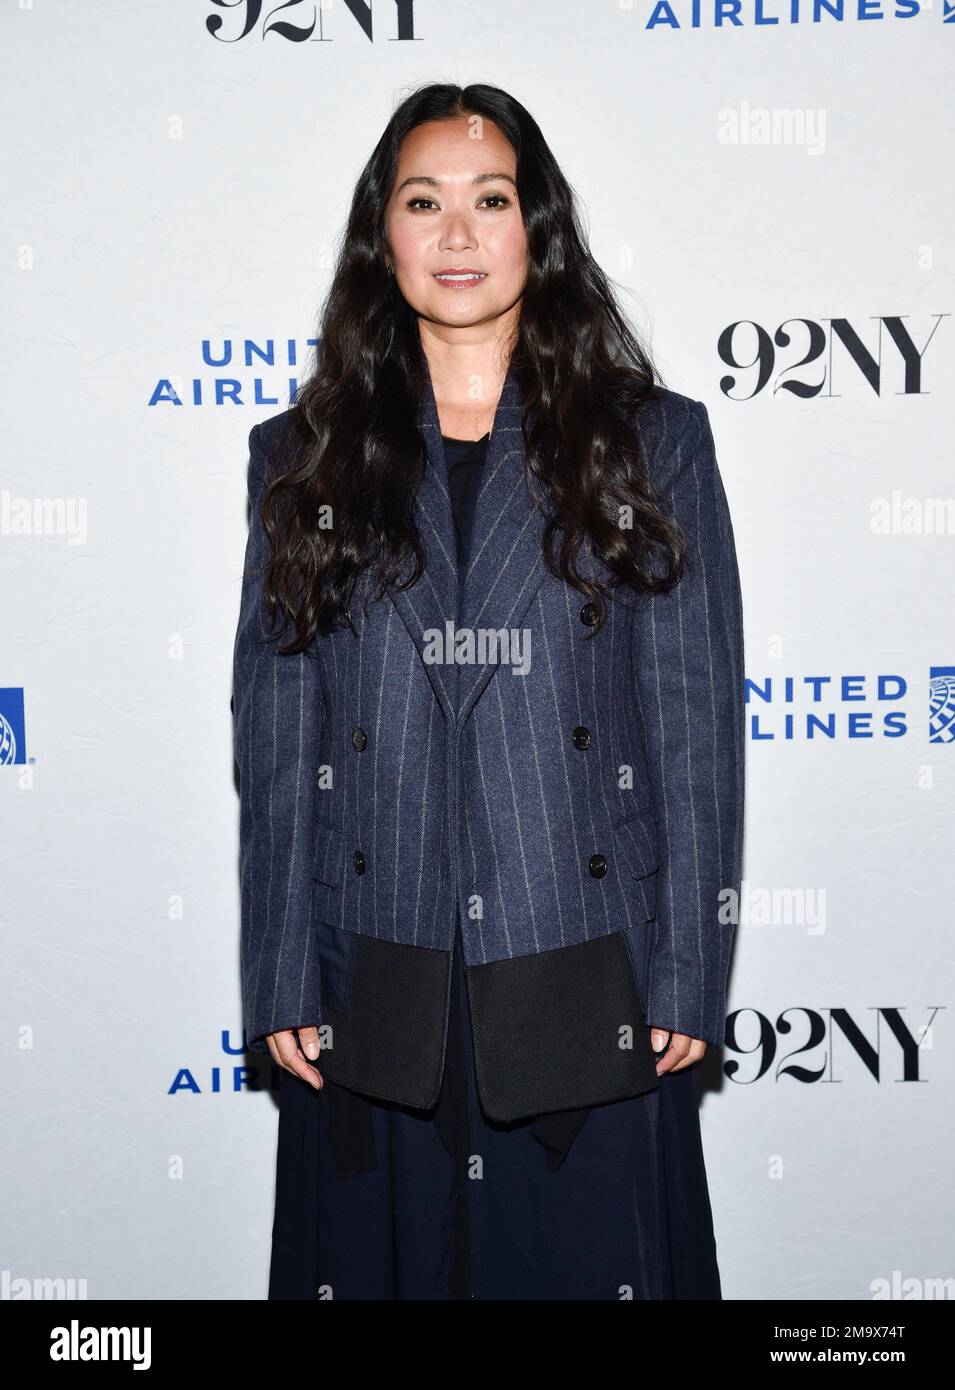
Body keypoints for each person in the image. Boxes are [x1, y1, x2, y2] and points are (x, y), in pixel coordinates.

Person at [231, 81, 745, 1300]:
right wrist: (278, 970)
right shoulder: (301, 455)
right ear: (383, 235)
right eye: (424, 202)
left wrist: (684, 977)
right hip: (377, 973)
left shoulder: (648, 442)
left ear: (536, 227)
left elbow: (692, 723)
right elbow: (275, 724)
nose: (457, 235)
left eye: (489, 200)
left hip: (579, 964)